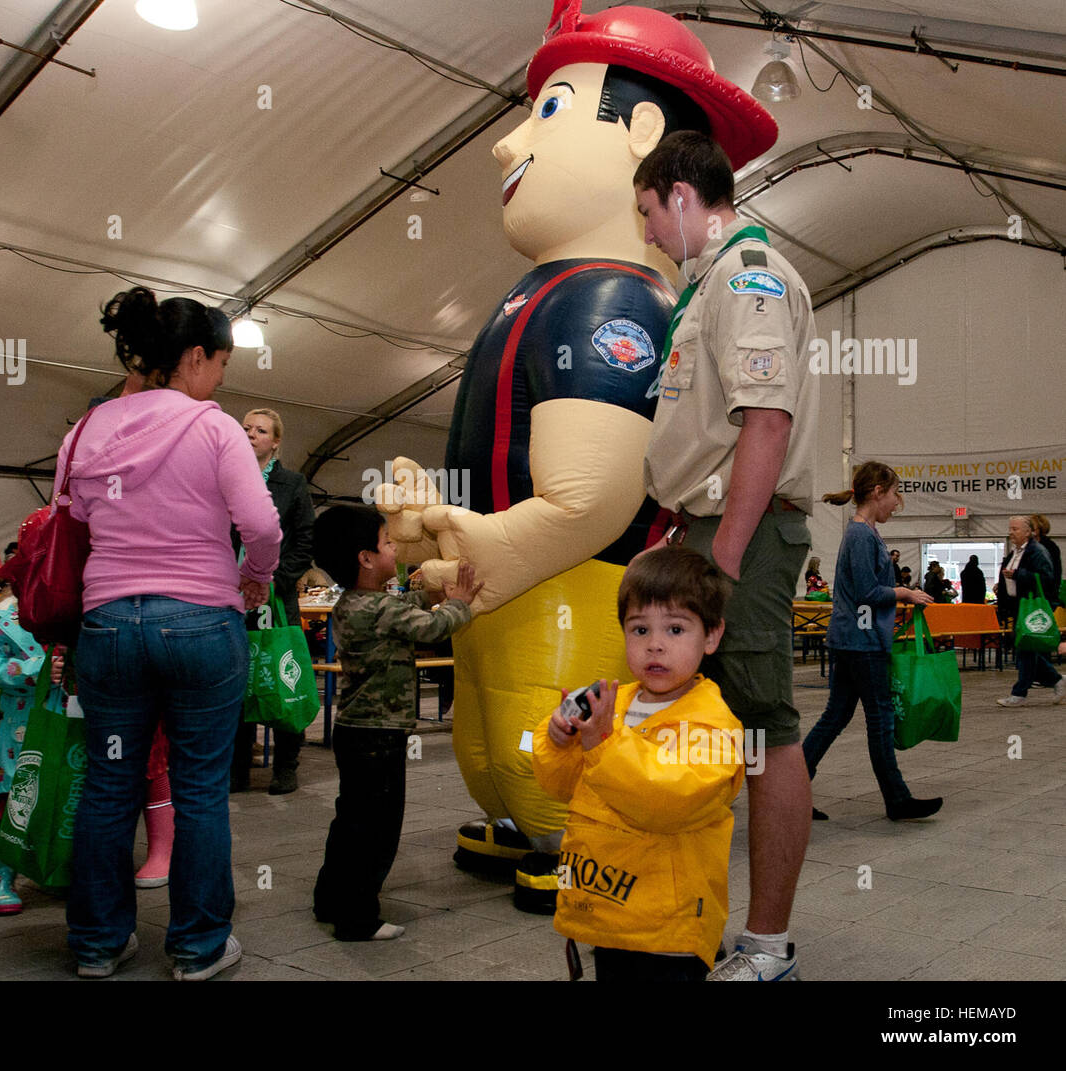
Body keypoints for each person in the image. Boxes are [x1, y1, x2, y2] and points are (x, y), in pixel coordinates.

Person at [376, 4, 778, 886]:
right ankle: (522, 825)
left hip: (572, 575)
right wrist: (444, 520)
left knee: (538, 738)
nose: (507, 143)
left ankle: (573, 832)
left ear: (641, 134)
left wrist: (495, 538)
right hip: (509, 575)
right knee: (488, 747)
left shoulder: (616, 300)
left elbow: (594, 487)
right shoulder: (540, 291)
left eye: (548, 110)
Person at [635, 129, 816, 981]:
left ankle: (769, 944)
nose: (643, 233)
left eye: (645, 212)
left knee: (763, 734)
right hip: (703, 527)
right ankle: (710, 918)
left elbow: (766, 422)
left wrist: (730, 558)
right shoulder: (707, 288)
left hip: (738, 532)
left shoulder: (749, 278)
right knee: (719, 734)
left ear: (680, 196)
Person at [63, 286, 281, 981]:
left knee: (109, 784)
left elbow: (73, 518)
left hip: (109, 628)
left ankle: (98, 942)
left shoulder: (87, 428)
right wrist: (256, 574)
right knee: (199, 787)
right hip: (199, 625)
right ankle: (197, 946)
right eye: (218, 361)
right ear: (193, 357)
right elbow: (264, 526)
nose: (219, 378)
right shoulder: (213, 426)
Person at [532, 546, 743, 981]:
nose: (656, 643)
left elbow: (671, 799)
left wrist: (604, 745)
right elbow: (561, 786)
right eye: (640, 628)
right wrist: (559, 742)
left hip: (668, 927)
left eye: (676, 628)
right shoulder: (615, 701)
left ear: (712, 636)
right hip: (606, 909)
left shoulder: (712, 724)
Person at [310, 506, 479, 941]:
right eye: (387, 542)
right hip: (379, 736)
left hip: (356, 731)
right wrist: (458, 603)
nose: (394, 547)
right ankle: (357, 917)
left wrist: (422, 590)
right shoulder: (381, 609)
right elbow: (432, 628)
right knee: (377, 829)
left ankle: (331, 898)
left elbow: (402, 608)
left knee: (350, 820)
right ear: (366, 558)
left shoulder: (353, 603)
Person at [801, 463, 942, 822]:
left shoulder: (862, 532)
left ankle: (791, 792)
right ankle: (897, 799)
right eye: (895, 494)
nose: (898, 502)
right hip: (861, 641)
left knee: (836, 716)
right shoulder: (863, 535)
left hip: (850, 638)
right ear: (878, 491)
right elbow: (866, 592)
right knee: (880, 719)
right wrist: (904, 593)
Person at [231, 408, 317, 795]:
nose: (250, 434)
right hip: (230, 597)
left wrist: (275, 581)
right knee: (238, 682)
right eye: (246, 427)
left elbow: (304, 540)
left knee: (284, 674)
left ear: (276, 441)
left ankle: (286, 766)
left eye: (260, 430)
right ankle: (237, 768)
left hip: (276, 597)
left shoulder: (292, 484)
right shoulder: (225, 479)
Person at [0, 545, 48, 915]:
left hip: (65, 719)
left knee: (60, 791)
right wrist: (39, 668)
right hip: (20, 723)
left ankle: (55, 867)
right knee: (14, 797)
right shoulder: (2, 616)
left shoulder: (75, 612)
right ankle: (0, 875)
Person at [995, 515, 1063, 707]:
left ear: (1028, 532)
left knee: (1025, 649)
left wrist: (1018, 574)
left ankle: (1019, 693)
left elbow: (1047, 578)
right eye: (1010, 528)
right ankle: (1056, 680)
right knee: (1026, 649)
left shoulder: (1037, 551)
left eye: (1015, 529)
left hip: (1032, 607)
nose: (1011, 532)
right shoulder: (1015, 552)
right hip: (1018, 606)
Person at [1030, 515, 1062, 599]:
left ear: (1040, 528)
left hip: (1047, 591)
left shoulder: (1050, 546)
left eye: (1032, 526)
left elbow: (1055, 571)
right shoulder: (1029, 545)